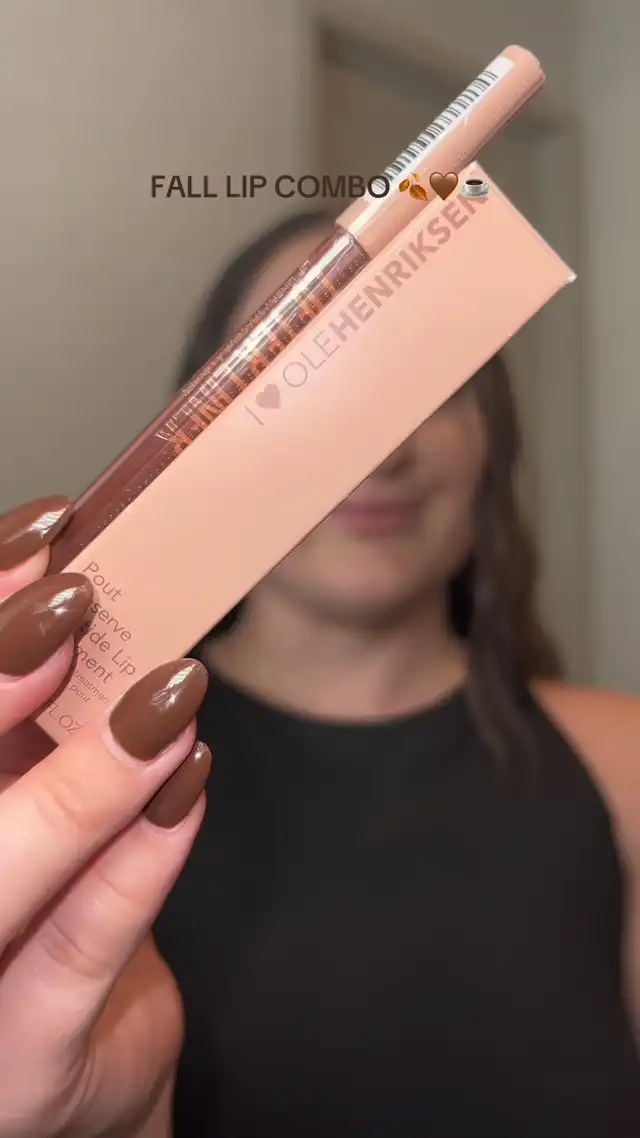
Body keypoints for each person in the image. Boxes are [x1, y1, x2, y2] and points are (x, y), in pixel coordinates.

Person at [0, 208, 640, 1138]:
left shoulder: (624, 765)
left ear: (492, 440)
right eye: (309, 372)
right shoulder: (65, 781)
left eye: (427, 375)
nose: (383, 447)